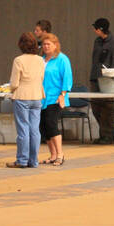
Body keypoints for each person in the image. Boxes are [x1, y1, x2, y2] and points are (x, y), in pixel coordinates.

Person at [8, 32, 46, 169]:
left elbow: (14, 83)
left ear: (21, 45)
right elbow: (41, 77)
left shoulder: (18, 60)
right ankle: (33, 160)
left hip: (22, 96)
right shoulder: (40, 60)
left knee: (23, 129)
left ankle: (22, 160)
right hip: (37, 96)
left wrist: (10, 88)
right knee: (35, 130)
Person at [39, 32, 73, 165]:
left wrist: (62, 94)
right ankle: (52, 154)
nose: (46, 47)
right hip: (42, 98)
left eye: (49, 44)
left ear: (55, 45)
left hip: (56, 97)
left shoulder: (62, 59)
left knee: (51, 124)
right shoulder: (41, 59)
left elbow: (67, 77)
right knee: (44, 126)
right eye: (44, 44)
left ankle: (60, 154)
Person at [89, 17, 114, 144]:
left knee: (107, 107)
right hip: (95, 77)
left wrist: (112, 77)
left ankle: (108, 135)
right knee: (95, 106)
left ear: (100, 29)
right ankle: (103, 133)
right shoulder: (97, 41)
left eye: (95, 28)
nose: (94, 30)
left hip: (108, 79)